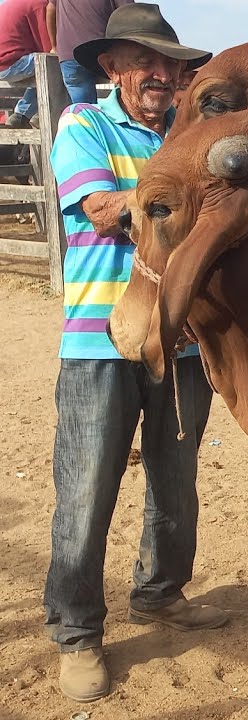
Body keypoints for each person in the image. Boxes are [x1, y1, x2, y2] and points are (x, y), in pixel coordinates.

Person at [44, 2, 216, 704]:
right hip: (98, 346)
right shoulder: (83, 127)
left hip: (180, 345)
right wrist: (187, 194)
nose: (160, 74)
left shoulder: (189, 132)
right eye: (144, 62)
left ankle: (160, 593)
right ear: (111, 68)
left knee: (175, 489)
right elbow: (100, 210)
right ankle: (77, 631)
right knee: (85, 495)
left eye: (171, 64)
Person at [54, 0, 133, 105]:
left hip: (70, 52)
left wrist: (54, 46)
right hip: (103, 48)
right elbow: (130, 13)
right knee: (130, 95)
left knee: (84, 109)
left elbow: (50, 9)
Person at [0, 0, 55, 128]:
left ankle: (22, 115)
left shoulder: (12, 3)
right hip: (11, 63)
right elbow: (48, 48)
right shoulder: (39, 5)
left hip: (6, 63)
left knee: (42, 73)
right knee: (57, 64)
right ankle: (42, 116)